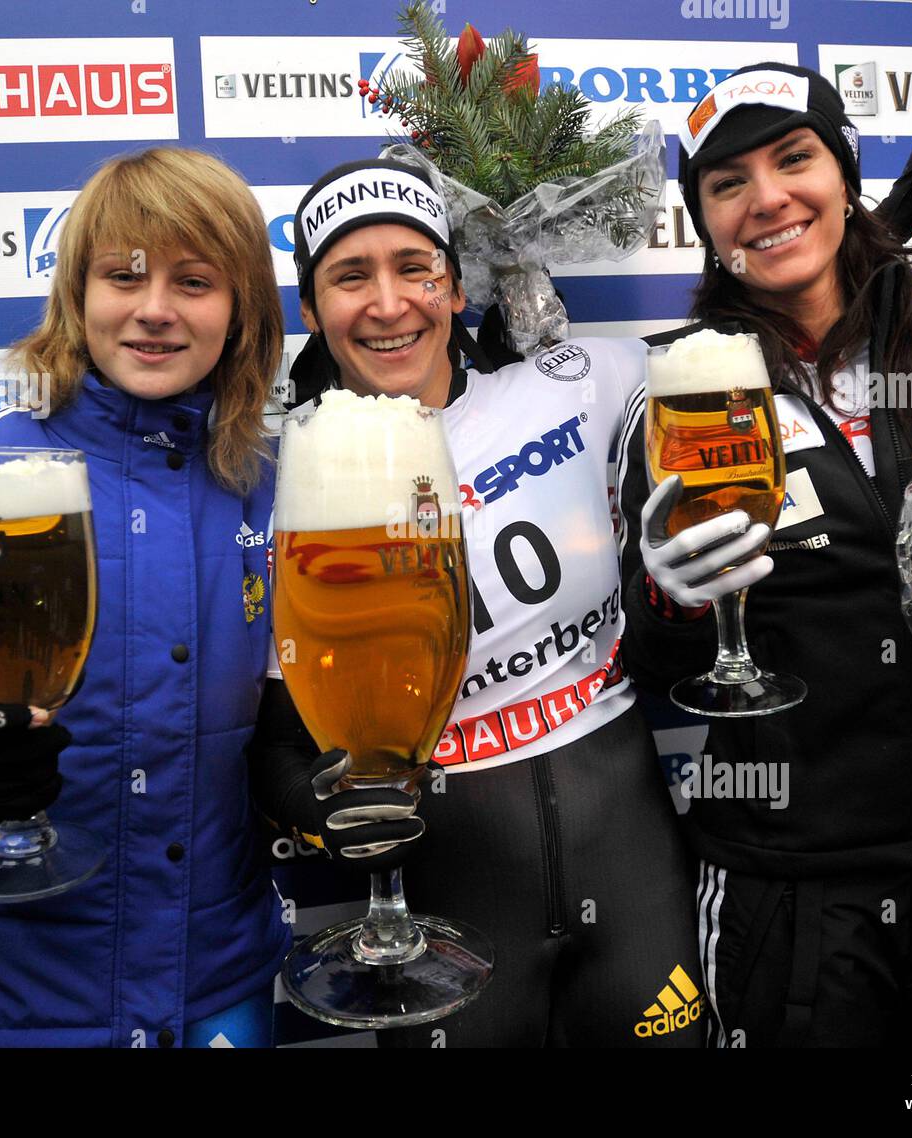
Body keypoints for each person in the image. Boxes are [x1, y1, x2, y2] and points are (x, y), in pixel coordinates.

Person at [616, 63, 912, 1047]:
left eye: (794, 159)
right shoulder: (683, 390)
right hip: (791, 892)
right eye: (727, 182)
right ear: (703, 222)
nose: (767, 198)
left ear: (842, 175)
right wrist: (673, 602)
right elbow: (659, 664)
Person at [0, 148, 291, 1048]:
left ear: (240, 312)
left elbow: (287, 721)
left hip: (220, 984)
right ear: (77, 295)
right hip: (5, 997)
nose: (154, 309)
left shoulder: (280, 487)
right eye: (123, 275)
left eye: (195, 281)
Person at [248, 157, 703, 1048]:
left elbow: (754, 393)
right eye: (349, 276)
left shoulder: (581, 383)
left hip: (634, 868)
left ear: (455, 289)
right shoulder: (288, 481)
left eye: (417, 268)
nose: (388, 303)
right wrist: (323, 813)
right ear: (310, 311)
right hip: (443, 915)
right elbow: (272, 747)